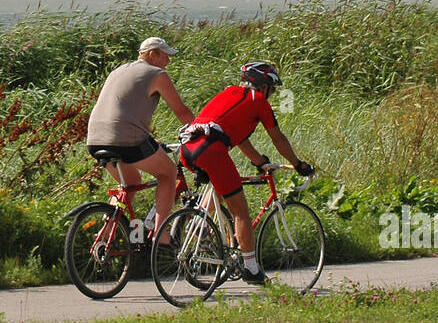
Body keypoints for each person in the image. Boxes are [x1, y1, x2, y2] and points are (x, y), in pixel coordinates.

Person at [179, 62, 314, 283]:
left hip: (188, 148)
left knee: (222, 186)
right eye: (272, 88)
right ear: (263, 86)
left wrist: (260, 161)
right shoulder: (258, 101)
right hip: (210, 150)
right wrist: (298, 164)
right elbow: (278, 138)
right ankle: (251, 269)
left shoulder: (229, 93)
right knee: (240, 210)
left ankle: (200, 228)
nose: (273, 94)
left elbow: (238, 137)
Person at [87, 37, 196, 243]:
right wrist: (201, 130)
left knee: (131, 183)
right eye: (165, 56)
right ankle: (160, 230)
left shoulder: (117, 71)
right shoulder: (157, 74)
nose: (168, 62)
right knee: (168, 173)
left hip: (95, 138)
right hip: (126, 138)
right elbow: (181, 111)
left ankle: (105, 236)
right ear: (152, 54)